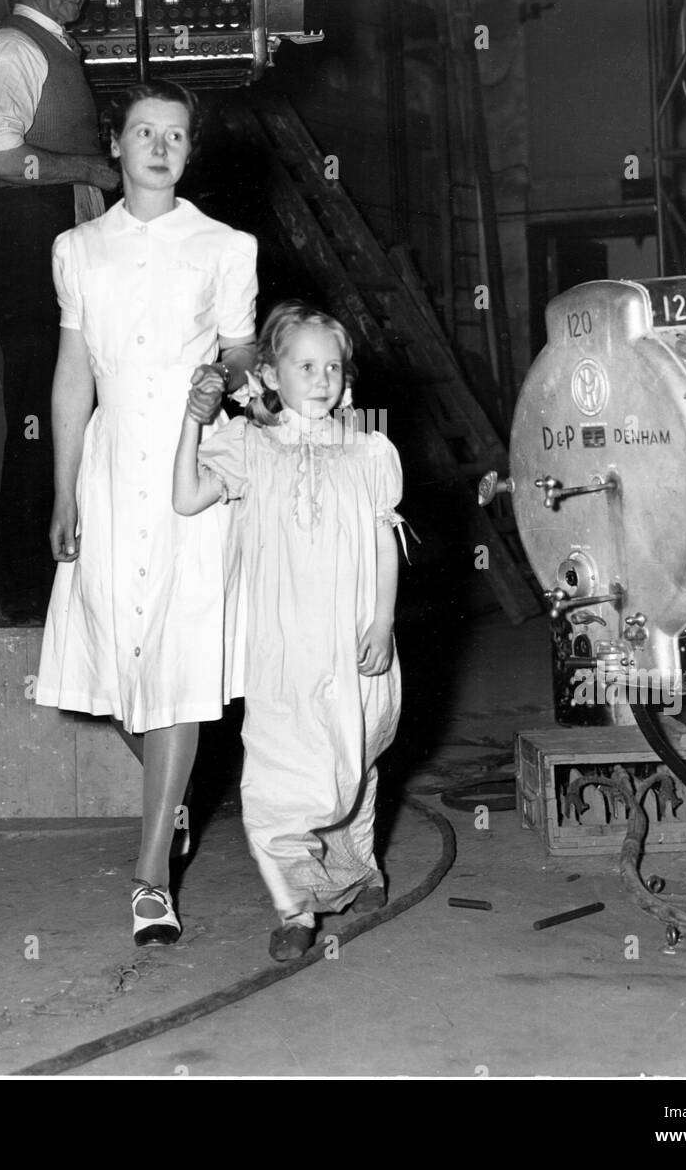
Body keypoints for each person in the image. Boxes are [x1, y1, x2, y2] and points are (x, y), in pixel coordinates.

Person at [35, 81, 257, 946]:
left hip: (190, 469)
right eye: (143, 132)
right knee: (119, 676)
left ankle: (149, 878)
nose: (160, 145)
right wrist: (61, 487)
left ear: (189, 151)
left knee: (178, 665)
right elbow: (72, 376)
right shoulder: (77, 249)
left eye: (175, 134)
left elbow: (241, 348)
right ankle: (176, 805)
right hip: (107, 464)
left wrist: (227, 380)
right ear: (117, 146)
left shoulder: (224, 246)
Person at [173, 301, 404, 962]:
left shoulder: (369, 451)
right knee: (276, 780)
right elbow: (186, 497)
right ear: (271, 375)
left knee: (353, 762)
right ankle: (293, 909)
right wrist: (191, 425)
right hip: (281, 648)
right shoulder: (252, 448)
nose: (322, 377)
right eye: (305, 364)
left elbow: (387, 543)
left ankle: (359, 869)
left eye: (332, 365)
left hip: (354, 639)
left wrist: (384, 621)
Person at [0, 0, 120, 624]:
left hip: (61, 236)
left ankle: (59, 579)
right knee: (37, 412)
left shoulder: (61, 50)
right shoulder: (11, 47)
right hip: (28, 241)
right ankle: (28, 589)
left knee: (69, 411)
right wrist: (89, 165)